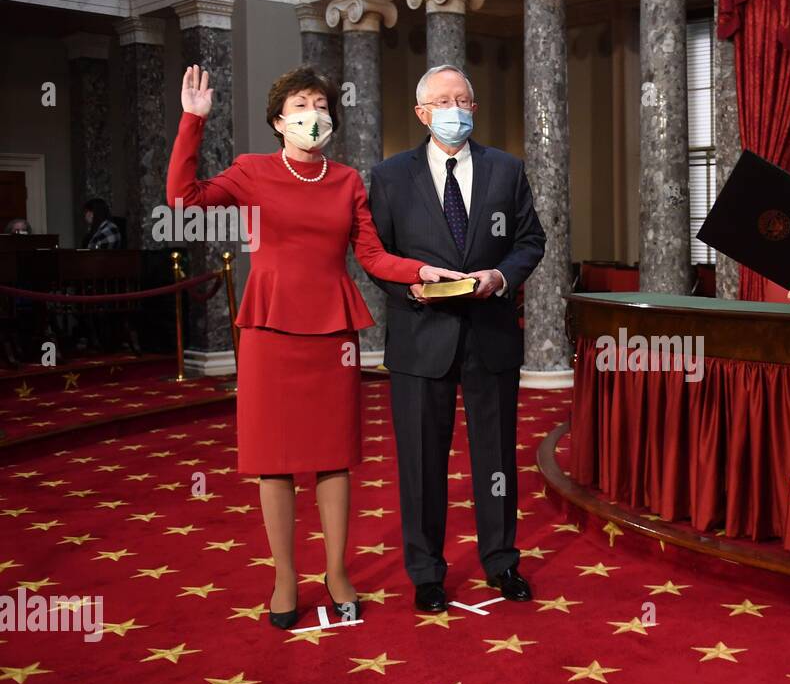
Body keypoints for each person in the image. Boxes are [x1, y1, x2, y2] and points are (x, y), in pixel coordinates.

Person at [166, 63, 444, 630]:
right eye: (299, 105)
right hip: (269, 333)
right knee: (275, 461)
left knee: (333, 457)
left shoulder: (347, 181)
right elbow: (183, 202)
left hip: (331, 335)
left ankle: (336, 573)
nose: (311, 115)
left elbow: (371, 255)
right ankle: (285, 577)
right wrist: (193, 122)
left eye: (319, 105)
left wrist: (419, 270)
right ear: (278, 120)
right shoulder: (251, 172)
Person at [366, 64, 545, 613]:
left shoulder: (506, 170)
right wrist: (413, 290)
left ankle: (501, 561)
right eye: (443, 102)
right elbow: (377, 256)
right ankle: (426, 571)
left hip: (490, 335)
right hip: (422, 339)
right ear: (422, 113)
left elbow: (529, 240)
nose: (456, 110)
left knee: (495, 460)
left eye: (463, 99)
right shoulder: (390, 176)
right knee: (421, 462)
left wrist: (502, 277)